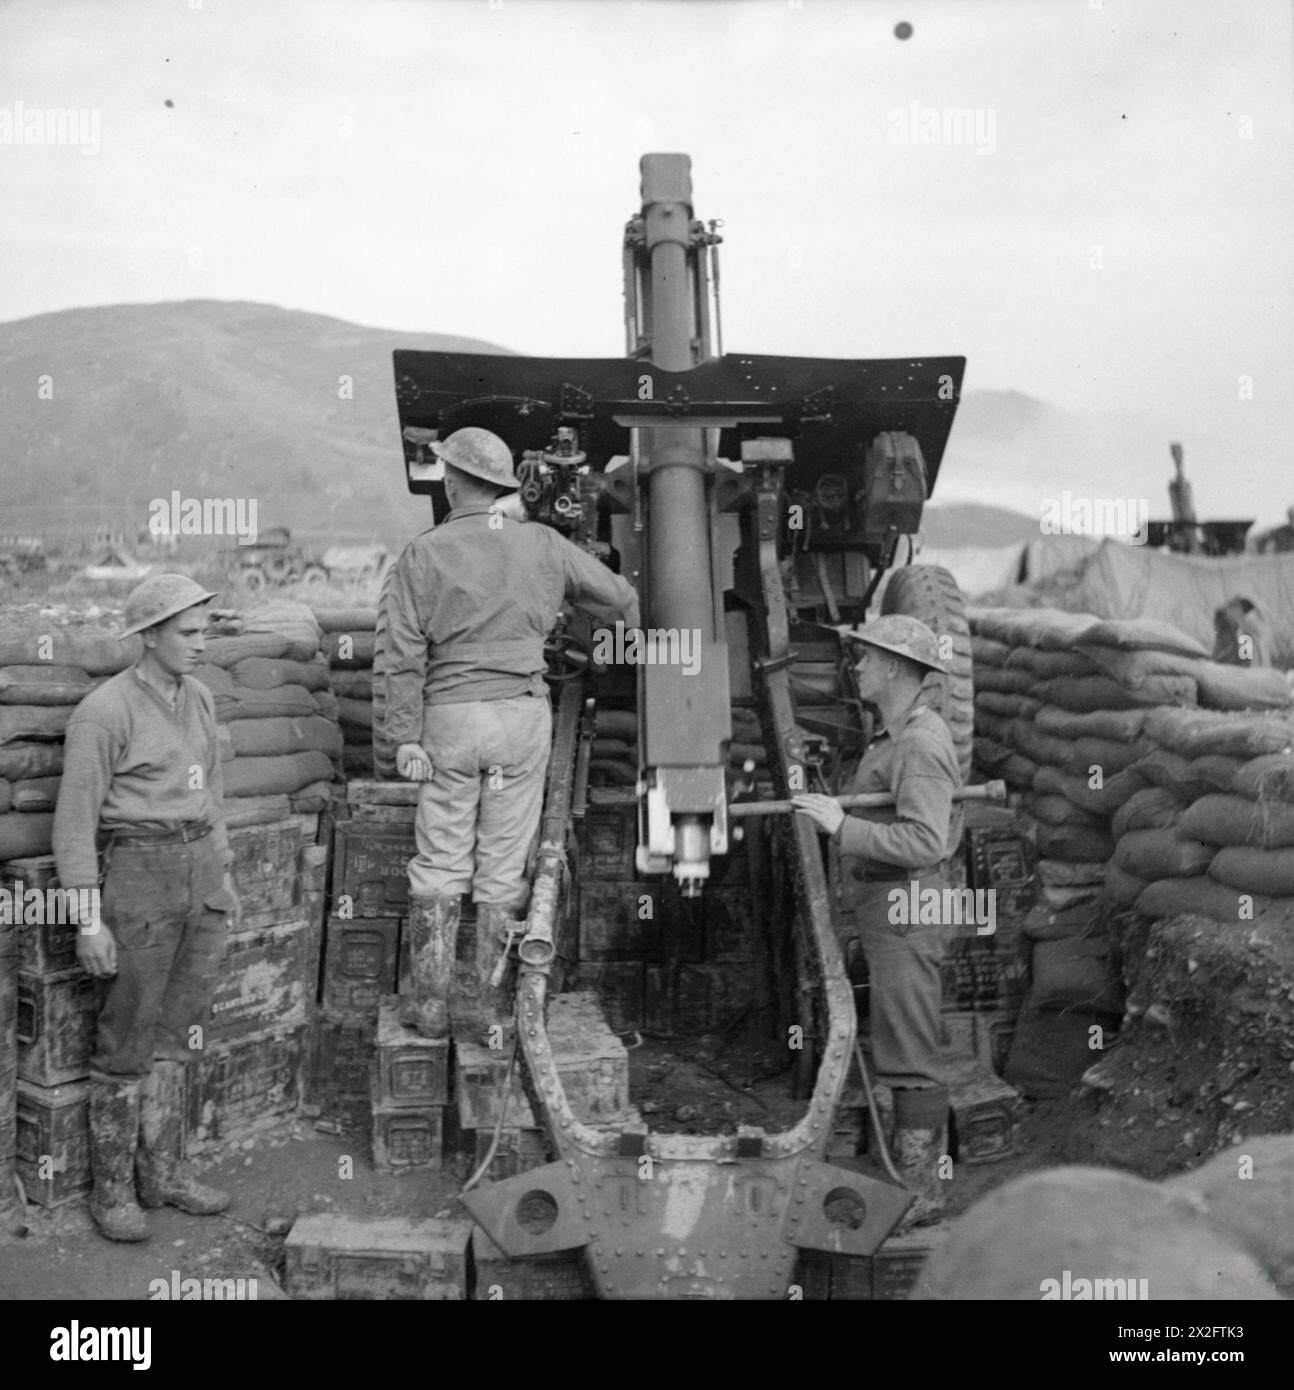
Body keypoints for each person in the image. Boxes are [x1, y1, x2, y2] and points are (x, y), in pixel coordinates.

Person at [382, 427, 639, 1042]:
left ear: (450, 482)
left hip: (451, 719)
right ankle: (492, 1011)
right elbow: (619, 595)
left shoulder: (424, 553)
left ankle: (430, 1006)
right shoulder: (543, 543)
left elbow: (398, 655)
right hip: (521, 719)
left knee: (442, 858)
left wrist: (403, 737)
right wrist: (573, 625)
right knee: (502, 868)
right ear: (504, 487)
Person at [52, 574, 237, 1242]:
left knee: (178, 1032)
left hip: (200, 876)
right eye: (187, 633)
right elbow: (73, 826)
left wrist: (224, 876)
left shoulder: (202, 699)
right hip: (138, 873)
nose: (200, 644)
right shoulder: (106, 712)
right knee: (126, 1036)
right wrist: (88, 919)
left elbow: (212, 792)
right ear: (149, 636)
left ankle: (164, 1173)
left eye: (204, 631)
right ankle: (112, 1194)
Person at [791, 614, 960, 1227]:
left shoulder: (919, 742)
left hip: (908, 912)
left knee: (910, 1049)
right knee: (896, 1042)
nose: (855, 668)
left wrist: (843, 827)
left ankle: (924, 1194)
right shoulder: (891, 738)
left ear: (893, 667)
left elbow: (925, 840)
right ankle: (910, 1181)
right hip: (888, 909)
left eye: (865, 660)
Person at [1212, 595, 1272, 668]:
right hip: (1263, 673)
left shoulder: (1244, 632)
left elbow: (1246, 661)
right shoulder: (1259, 627)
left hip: (1253, 674)